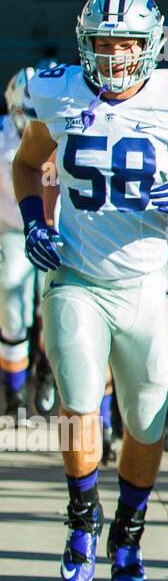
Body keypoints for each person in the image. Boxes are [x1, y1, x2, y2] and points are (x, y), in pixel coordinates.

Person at [14, 0, 168, 581]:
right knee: (79, 405)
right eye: (102, 43)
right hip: (77, 274)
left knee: (147, 420)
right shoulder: (58, 93)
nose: (113, 56)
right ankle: (82, 516)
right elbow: (27, 164)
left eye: (126, 42)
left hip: (146, 283)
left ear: (151, 44)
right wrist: (34, 221)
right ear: (84, 43)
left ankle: (128, 531)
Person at [0, 68, 36, 421]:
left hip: (56, 231)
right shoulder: (2, 135)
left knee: (53, 310)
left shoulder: (61, 129)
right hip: (13, 231)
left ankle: (46, 376)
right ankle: (14, 393)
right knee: (12, 308)